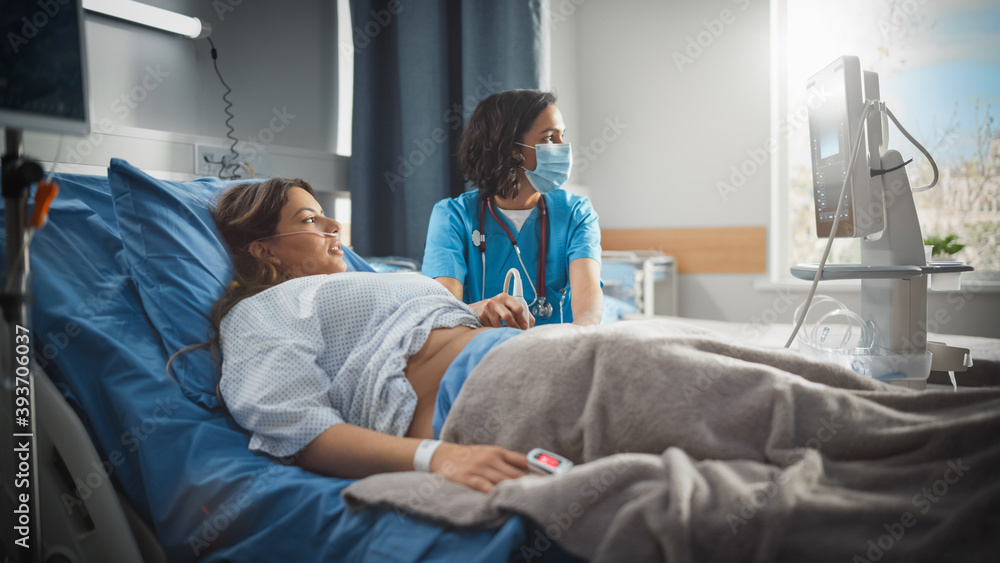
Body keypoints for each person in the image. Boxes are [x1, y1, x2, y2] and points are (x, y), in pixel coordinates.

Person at [206, 178, 530, 493]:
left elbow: (401, 326)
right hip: (473, 389)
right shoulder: (264, 308)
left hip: (510, 356)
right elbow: (301, 427)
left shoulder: (350, 285)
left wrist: (478, 310)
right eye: (309, 219)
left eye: (324, 214)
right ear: (265, 251)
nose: (333, 224)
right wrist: (436, 457)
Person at [421, 89, 603, 327]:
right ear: (511, 149)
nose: (563, 147)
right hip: (481, 351)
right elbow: (443, 311)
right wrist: (480, 309)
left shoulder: (576, 212)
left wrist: (576, 350)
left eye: (562, 136)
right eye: (549, 138)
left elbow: (588, 312)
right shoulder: (453, 217)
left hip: (557, 350)